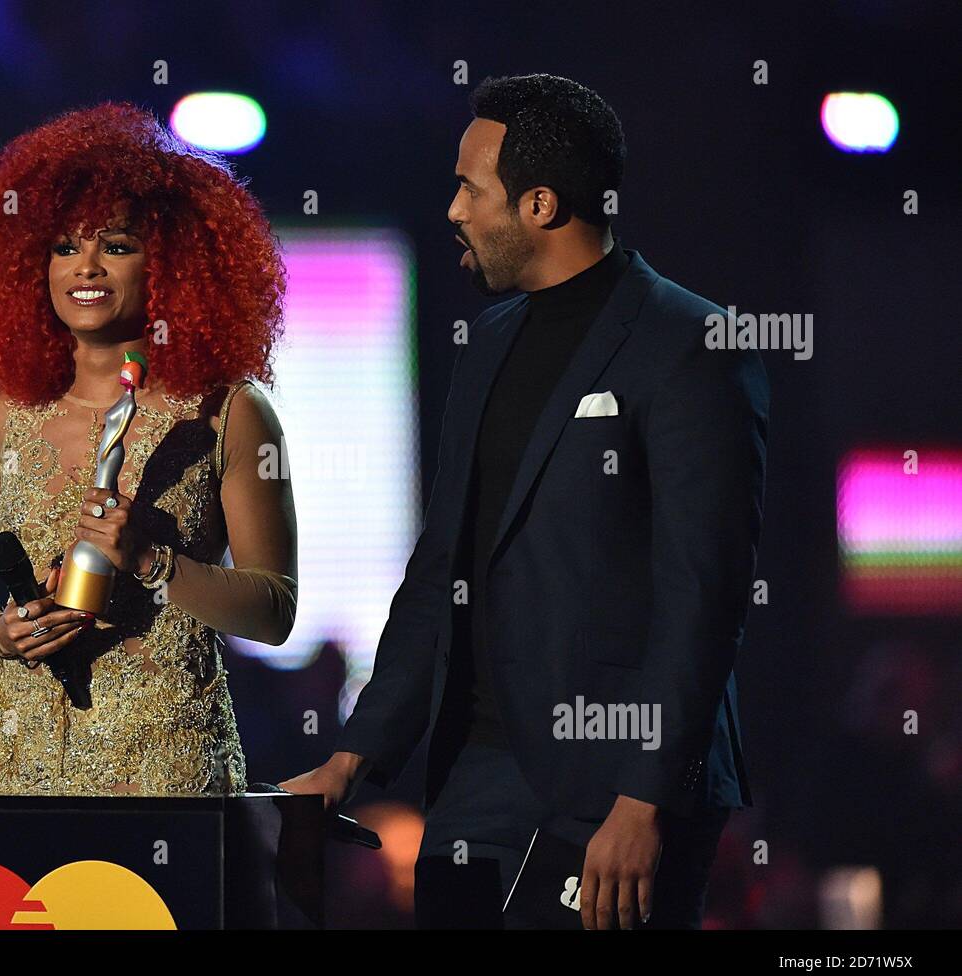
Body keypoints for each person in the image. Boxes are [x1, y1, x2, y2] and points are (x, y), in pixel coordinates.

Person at [284, 74, 768, 929]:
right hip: (473, 785)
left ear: (540, 204)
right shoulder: (488, 344)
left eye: (471, 188)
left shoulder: (693, 343)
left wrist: (642, 801)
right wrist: (351, 760)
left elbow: (706, 593)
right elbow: (440, 573)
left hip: (615, 793)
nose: (452, 211)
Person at [0, 102, 297, 797]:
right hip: (20, 776)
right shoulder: (1, 411)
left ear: (171, 262)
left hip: (165, 780)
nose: (87, 267)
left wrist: (152, 561)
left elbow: (273, 610)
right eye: (65, 246)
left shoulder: (229, 411)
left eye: (118, 244)